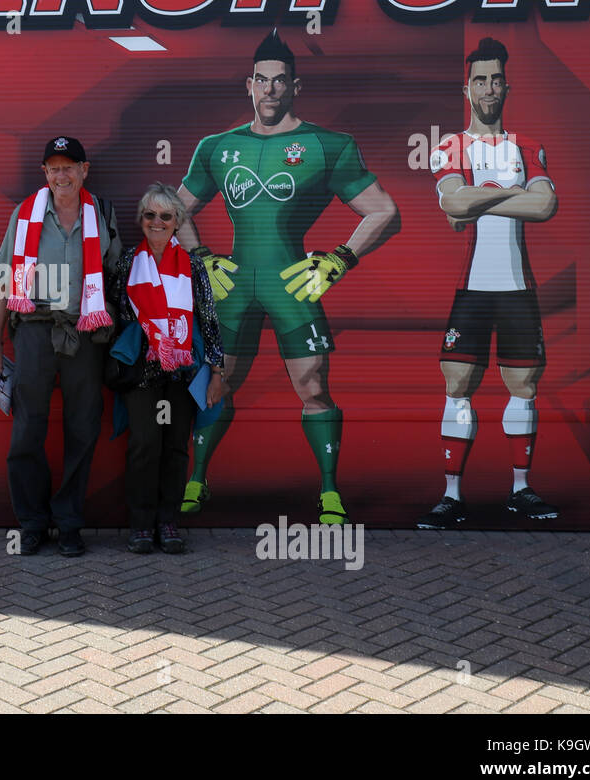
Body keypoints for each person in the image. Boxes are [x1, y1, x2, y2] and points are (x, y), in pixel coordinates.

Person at [175, 30, 400, 525]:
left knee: (312, 385)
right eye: (262, 80)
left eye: (280, 81)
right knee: (216, 383)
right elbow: (172, 210)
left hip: (290, 282)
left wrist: (339, 259)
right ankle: (196, 479)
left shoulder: (328, 145)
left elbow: (384, 211)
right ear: (248, 86)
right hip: (236, 284)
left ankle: (329, 492)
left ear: (295, 86)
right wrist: (201, 259)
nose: (270, 89)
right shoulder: (217, 146)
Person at [419, 38, 559, 528]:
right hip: (472, 288)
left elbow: (544, 207)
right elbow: (453, 204)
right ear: (467, 88)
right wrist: (512, 192)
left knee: (523, 385)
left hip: (518, 287)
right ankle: (451, 496)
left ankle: (520, 490)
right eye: (480, 79)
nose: (489, 87)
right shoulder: (450, 146)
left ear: (507, 86)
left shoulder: (527, 144)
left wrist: (480, 199)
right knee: (457, 384)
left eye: (496, 79)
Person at [0, 136, 123, 556]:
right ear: (45, 173)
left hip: (84, 329)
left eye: (69, 167)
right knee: (28, 429)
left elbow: (117, 274)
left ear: (85, 170)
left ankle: (69, 522)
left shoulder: (101, 214)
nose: (61, 175)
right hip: (35, 330)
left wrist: (111, 313)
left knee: (82, 427)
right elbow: (3, 278)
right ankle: (32, 523)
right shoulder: (25, 215)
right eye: (54, 168)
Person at [109, 183, 225, 553]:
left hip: (181, 373)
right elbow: (114, 314)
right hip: (142, 374)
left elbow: (208, 318)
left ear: (178, 222)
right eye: (149, 215)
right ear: (140, 220)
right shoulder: (128, 261)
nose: (156, 222)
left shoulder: (192, 265)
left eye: (165, 216)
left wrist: (218, 372)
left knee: (175, 447)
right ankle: (142, 524)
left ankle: (168, 521)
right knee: (144, 445)